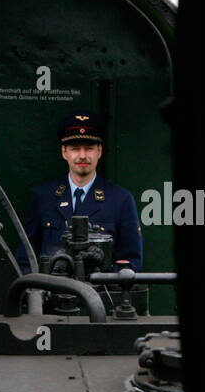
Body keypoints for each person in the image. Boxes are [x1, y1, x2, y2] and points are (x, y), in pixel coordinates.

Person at [15, 110, 143, 273]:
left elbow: (131, 263)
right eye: (75, 149)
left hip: (99, 295)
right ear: (64, 152)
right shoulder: (43, 197)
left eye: (89, 148)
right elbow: (25, 258)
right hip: (51, 293)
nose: (82, 156)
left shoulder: (121, 199)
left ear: (99, 151)